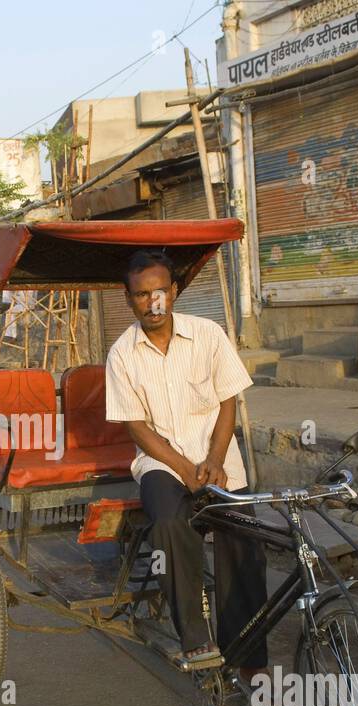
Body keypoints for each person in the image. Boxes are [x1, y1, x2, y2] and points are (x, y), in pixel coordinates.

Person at [105, 249, 268, 683]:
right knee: (169, 526)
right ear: (129, 299)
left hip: (217, 458)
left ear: (173, 292)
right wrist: (182, 466)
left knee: (245, 538)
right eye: (141, 295)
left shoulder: (209, 334)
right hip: (161, 462)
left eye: (159, 291)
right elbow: (136, 428)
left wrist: (214, 460)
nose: (152, 302)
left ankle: (247, 650)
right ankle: (196, 638)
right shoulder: (122, 354)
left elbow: (227, 400)